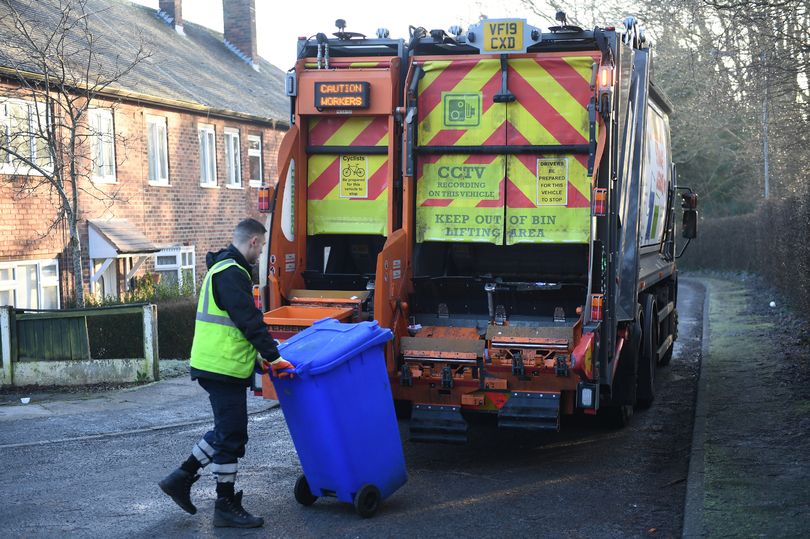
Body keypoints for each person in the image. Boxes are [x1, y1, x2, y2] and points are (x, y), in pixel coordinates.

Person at [159, 218, 294, 528]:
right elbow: (249, 321)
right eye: (260, 248)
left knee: (226, 431)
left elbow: (235, 327)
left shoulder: (222, 269)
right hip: (221, 367)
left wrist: (260, 360)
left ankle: (181, 478)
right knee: (231, 434)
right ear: (254, 242)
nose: (260, 256)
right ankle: (224, 505)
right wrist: (274, 357)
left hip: (219, 365)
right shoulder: (232, 273)